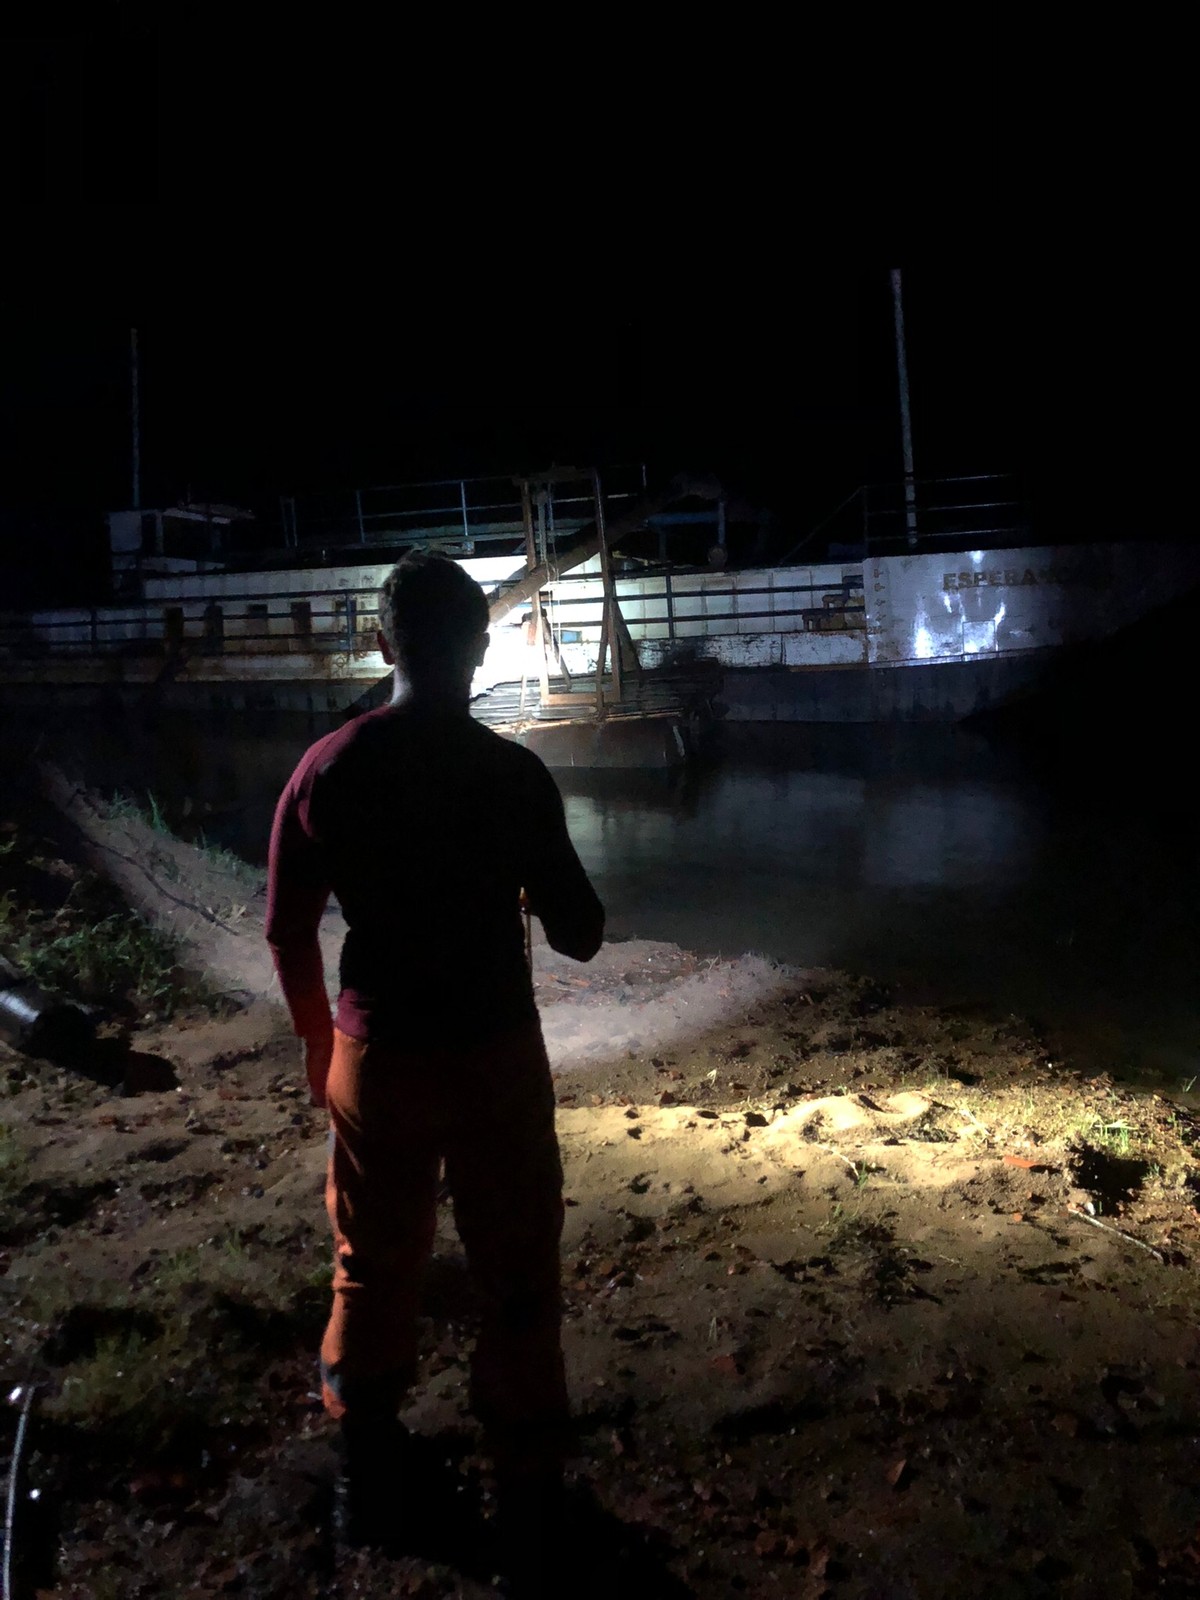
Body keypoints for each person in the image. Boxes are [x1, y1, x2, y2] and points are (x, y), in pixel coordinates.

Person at [265, 551, 604, 1584]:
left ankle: (369, 1475)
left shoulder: (325, 767)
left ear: (383, 646)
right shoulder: (512, 774)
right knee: (517, 1270)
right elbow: (584, 934)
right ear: (482, 646)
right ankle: (529, 1499)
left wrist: (323, 1047)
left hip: (377, 1057)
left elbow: (287, 930)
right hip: (496, 1055)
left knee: (372, 1264)